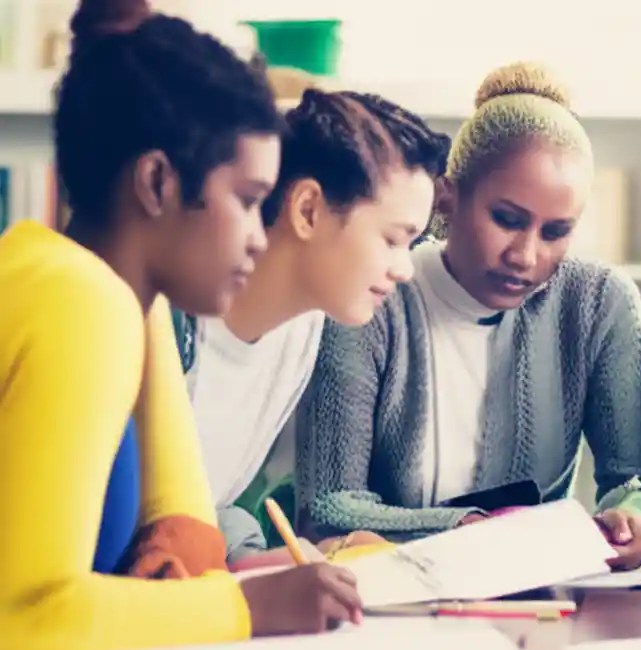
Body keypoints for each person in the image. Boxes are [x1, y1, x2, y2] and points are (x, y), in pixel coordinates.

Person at [0, 2, 363, 650]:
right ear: (159, 183)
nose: (261, 239)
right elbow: (20, 619)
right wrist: (247, 606)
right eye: (250, 201)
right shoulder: (83, 303)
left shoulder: (58, 272)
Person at [293, 62, 641, 571]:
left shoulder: (599, 300)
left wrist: (631, 518)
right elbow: (328, 506)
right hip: (392, 590)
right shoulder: (371, 294)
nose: (526, 255)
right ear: (446, 195)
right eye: (507, 220)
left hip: (539, 592)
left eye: (556, 231)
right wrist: (468, 531)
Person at [174, 88, 451, 566]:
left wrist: (311, 559)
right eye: (392, 239)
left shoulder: (303, 326)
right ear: (307, 210)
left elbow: (204, 509)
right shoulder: (169, 322)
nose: (405, 269)